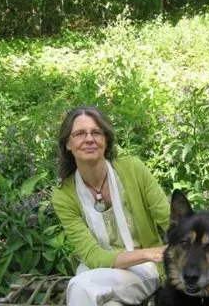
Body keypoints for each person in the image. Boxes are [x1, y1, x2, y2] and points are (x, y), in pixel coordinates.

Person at [52, 105, 170, 306]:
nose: (89, 139)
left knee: (80, 288)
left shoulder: (133, 169)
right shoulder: (63, 195)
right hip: (94, 269)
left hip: (143, 269)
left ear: (106, 141)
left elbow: (170, 220)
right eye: (79, 134)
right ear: (67, 144)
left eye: (96, 132)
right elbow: (93, 256)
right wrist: (150, 252)